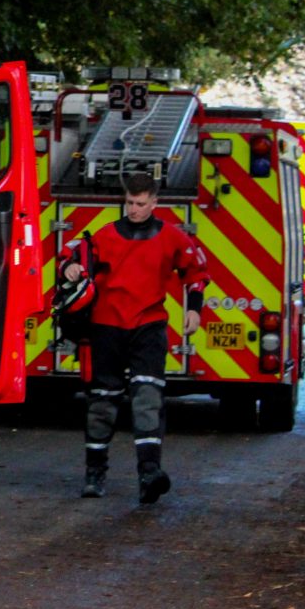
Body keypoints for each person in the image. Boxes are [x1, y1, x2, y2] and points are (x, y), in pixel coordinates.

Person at [60, 171, 208, 502]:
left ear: (155, 203)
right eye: (129, 202)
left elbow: (196, 273)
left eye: (140, 204)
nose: (133, 209)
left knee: (148, 399)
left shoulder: (171, 237)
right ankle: (94, 473)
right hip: (107, 326)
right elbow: (72, 256)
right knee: (102, 402)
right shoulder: (105, 235)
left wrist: (194, 309)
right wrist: (69, 267)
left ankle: (149, 474)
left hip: (148, 326)